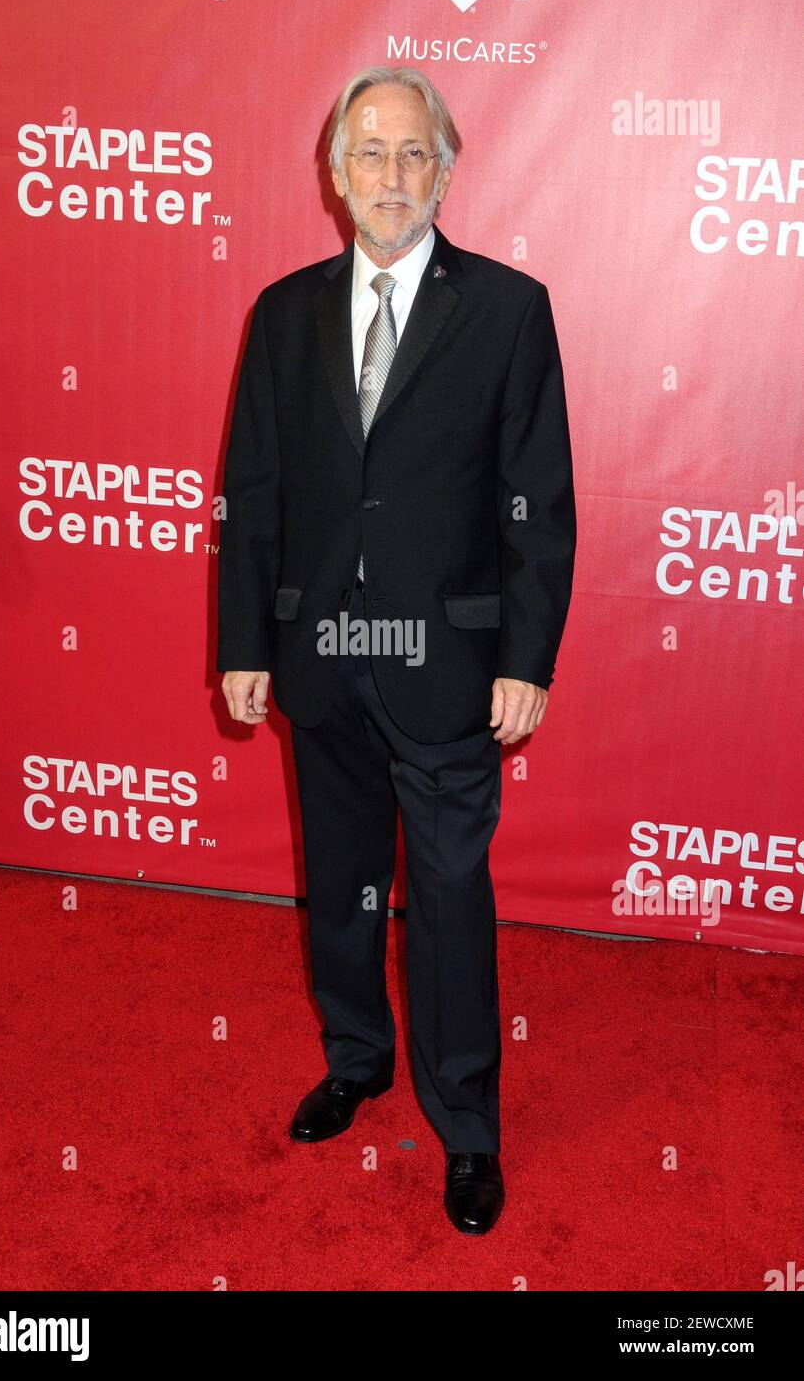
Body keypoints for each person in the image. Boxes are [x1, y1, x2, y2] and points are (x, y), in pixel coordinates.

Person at [218, 64, 576, 1235]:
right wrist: (244, 640)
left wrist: (527, 658)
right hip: (319, 653)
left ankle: (465, 1122)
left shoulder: (509, 310)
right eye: (366, 152)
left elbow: (537, 500)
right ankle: (357, 1058)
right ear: (333, 172)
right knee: (341, 885)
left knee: (449, 896)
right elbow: (255, 491)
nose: (389, 175)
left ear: (447, 171)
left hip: (450, 664)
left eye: (412, 153)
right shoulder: (280, 313)